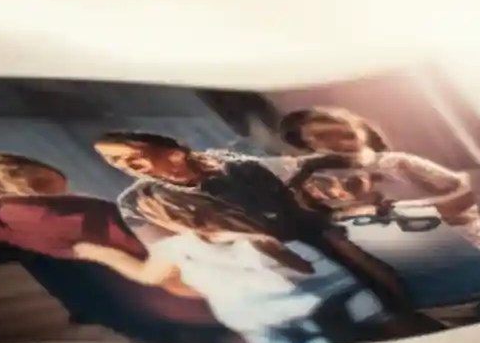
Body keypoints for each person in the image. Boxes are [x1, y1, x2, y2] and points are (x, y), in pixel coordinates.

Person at [0, 153, 246, 343]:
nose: (26, 177)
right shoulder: (3, 214)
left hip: (190, 289)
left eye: (23, 167)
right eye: (10, 174)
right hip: (176, 297)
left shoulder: (85, 205)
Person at [93, 130, 419, 317]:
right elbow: (173, 250)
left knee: (384, 292)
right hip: (255, 275)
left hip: (317, 244)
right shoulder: (137, 202)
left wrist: (367, 165)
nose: (122, 164)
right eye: (113, 161)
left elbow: (300, 169)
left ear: (174, 153)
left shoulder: (241, 168)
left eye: (129, 153)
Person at [74, 184, 418, 343]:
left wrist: (99, 252)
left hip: (251, 318)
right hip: (316, 307)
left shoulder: (172, 250)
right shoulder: (255, 237)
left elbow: (145, 276)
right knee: (369, 340)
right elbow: (303, 269)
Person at [278, 107, 480, 325]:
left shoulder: (399, 164)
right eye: (323, 136)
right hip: (434, 305)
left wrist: (404, 211)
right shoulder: (314, 183)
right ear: (306, 142)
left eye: (346, 132)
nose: (339, 142)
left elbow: (463, 199)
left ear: (362, 131)